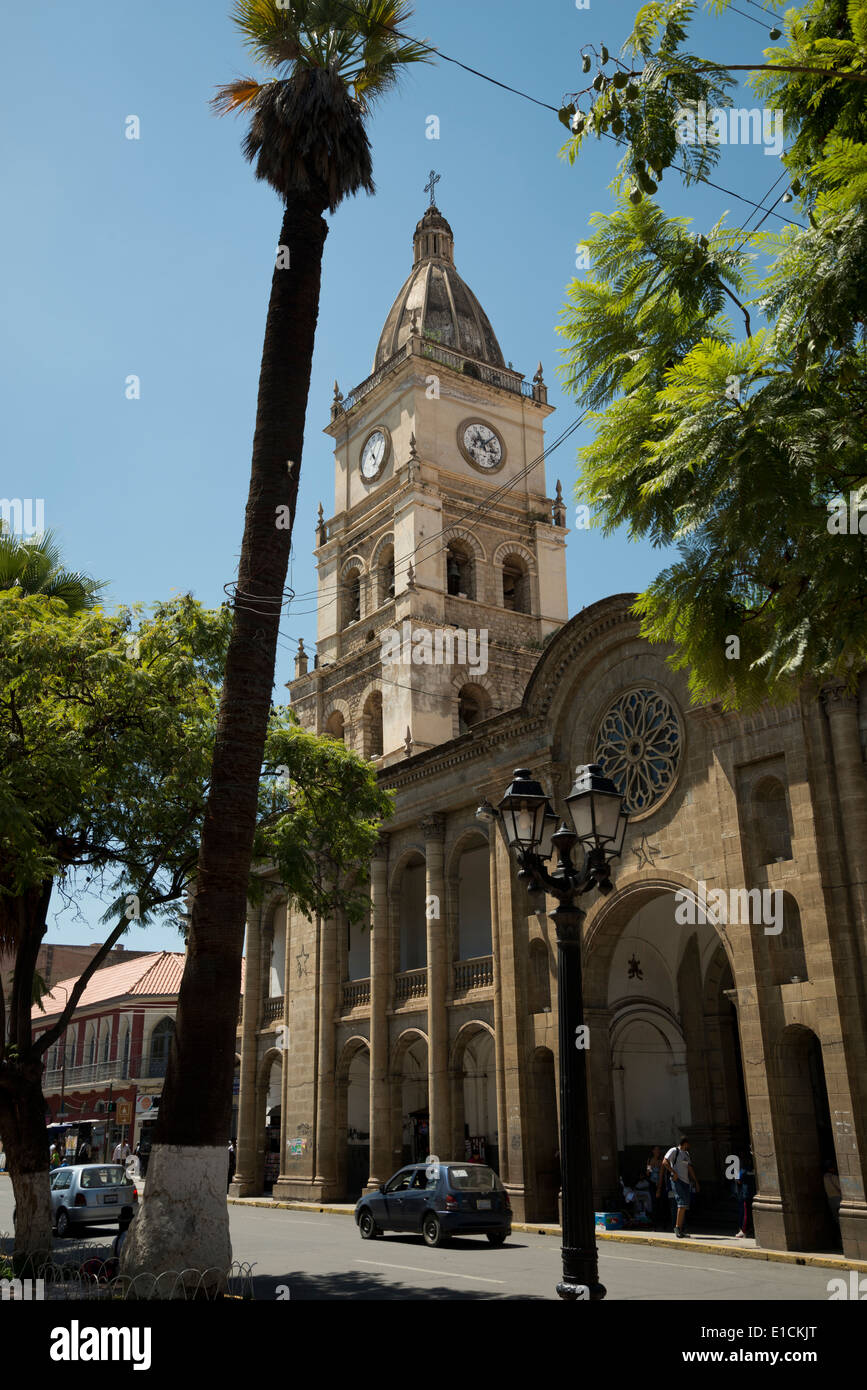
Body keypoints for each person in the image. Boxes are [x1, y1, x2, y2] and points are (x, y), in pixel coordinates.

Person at [659, 1137, 700, 1237]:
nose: (689, 1146)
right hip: (677, 1181)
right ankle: (677, 1228)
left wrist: (695, 1181)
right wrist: (673, 1172)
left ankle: (681, 1229)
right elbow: (664, 1162)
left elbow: (690, 1168)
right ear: (685, 1143)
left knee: (684, 1205)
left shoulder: (686, 1154)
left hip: (686, 1183)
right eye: (688, 1144)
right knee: (681, 1204)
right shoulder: (674, 1150)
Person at [734, 1151, 756, 1238]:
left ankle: (744, 1230)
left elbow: (738, 1180)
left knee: (746, 1213)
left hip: (746, 1194)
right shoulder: (755, 1170)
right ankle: (751, 1229)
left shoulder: (743, 1170)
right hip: (755, 1193)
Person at [646, 1146, 668, 1230]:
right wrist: (649, 1166)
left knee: (661, 1204)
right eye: (656, 1150)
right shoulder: (650, 1160)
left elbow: (662, 1174)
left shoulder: (661, 1161)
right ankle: (655, 1224)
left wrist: (659, 1188)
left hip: (660, 1183)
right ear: (653, 1151)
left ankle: (663, 1223)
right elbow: (648, 1173)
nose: (657, 1151)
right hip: (652, 1183)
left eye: (659, 1150)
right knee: (654, 1204)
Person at [824, 1161, 842, 1226]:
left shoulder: (825, 1177)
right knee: (841, 1215)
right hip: (837, 1198)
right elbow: (840, 1187)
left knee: (836, 1217)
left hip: (830, 1199)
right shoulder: (833, 1177)